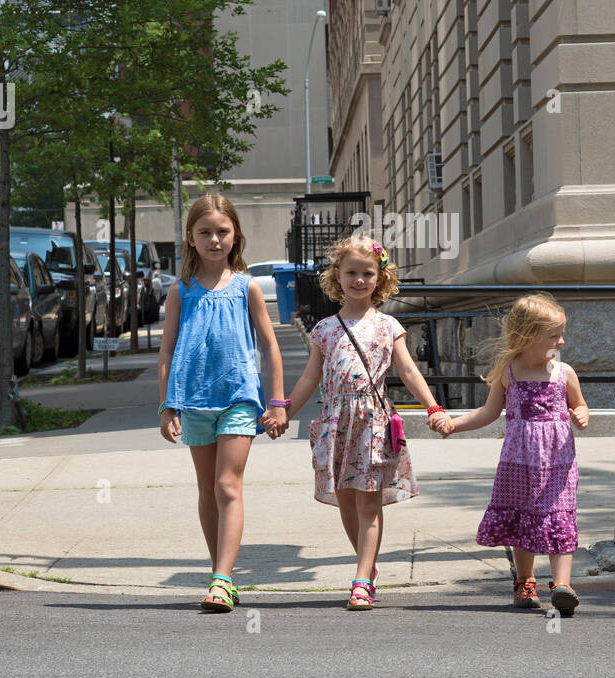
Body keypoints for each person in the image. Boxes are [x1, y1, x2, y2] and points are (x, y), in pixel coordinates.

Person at [276, 235, 447, 610]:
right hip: (335, 421)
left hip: (372, 421)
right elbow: (309, 379)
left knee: (369, 504)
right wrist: (285, 410)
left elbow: (407, 370)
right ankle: (367, 569)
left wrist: (433, 407)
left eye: (367, 273)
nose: (359, 280)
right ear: (337, 275)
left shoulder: (388, 325)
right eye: (351, 272)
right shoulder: (324, 329)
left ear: (379, 278)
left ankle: (360, 579)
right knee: (347, 503)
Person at [159, 193, 288, 612]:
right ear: (191, 239)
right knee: (206, 489)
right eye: (205, 233)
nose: (215, 240)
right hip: (194, 400)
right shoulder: (181, 291)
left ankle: (222, 578)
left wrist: (277, 402)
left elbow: (270, 347)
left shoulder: (247, 287)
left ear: (235, 237)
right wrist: (166, 405)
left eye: (222, 232)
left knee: (227, 485)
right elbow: (167, 350)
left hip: (239, 397)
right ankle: (222, 571)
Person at [441, 294, 588, 616]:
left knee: (560, 514)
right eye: (553, 335)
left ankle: (562, 584)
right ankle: (525, 581)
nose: (561, 341)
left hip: (558, 462)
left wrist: (581, 414)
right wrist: (455, 424)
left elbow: (578, 404)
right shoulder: (510, 372)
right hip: (518, 463)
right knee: (523, 517)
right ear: (527, 336)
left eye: (561, 333)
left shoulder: (564, 373)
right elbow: (488, 412)